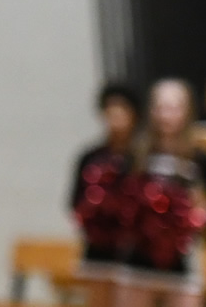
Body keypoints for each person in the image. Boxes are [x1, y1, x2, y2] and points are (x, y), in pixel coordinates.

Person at [121, 79, 206, 307]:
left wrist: (195, 217)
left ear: (187, 112)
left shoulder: (199, 157)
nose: (166, 115)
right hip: (138, 261)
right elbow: (121, 201)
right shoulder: (135, 154)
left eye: (174, 108)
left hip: (182, 262)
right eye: (161, 107)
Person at [73, 83, 142, 307]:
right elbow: (74, 202)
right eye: (110, 110)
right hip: (99, 248)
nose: (115, 117)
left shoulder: (142, 160)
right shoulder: (89, 157)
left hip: (137, 251)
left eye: (121, 110)